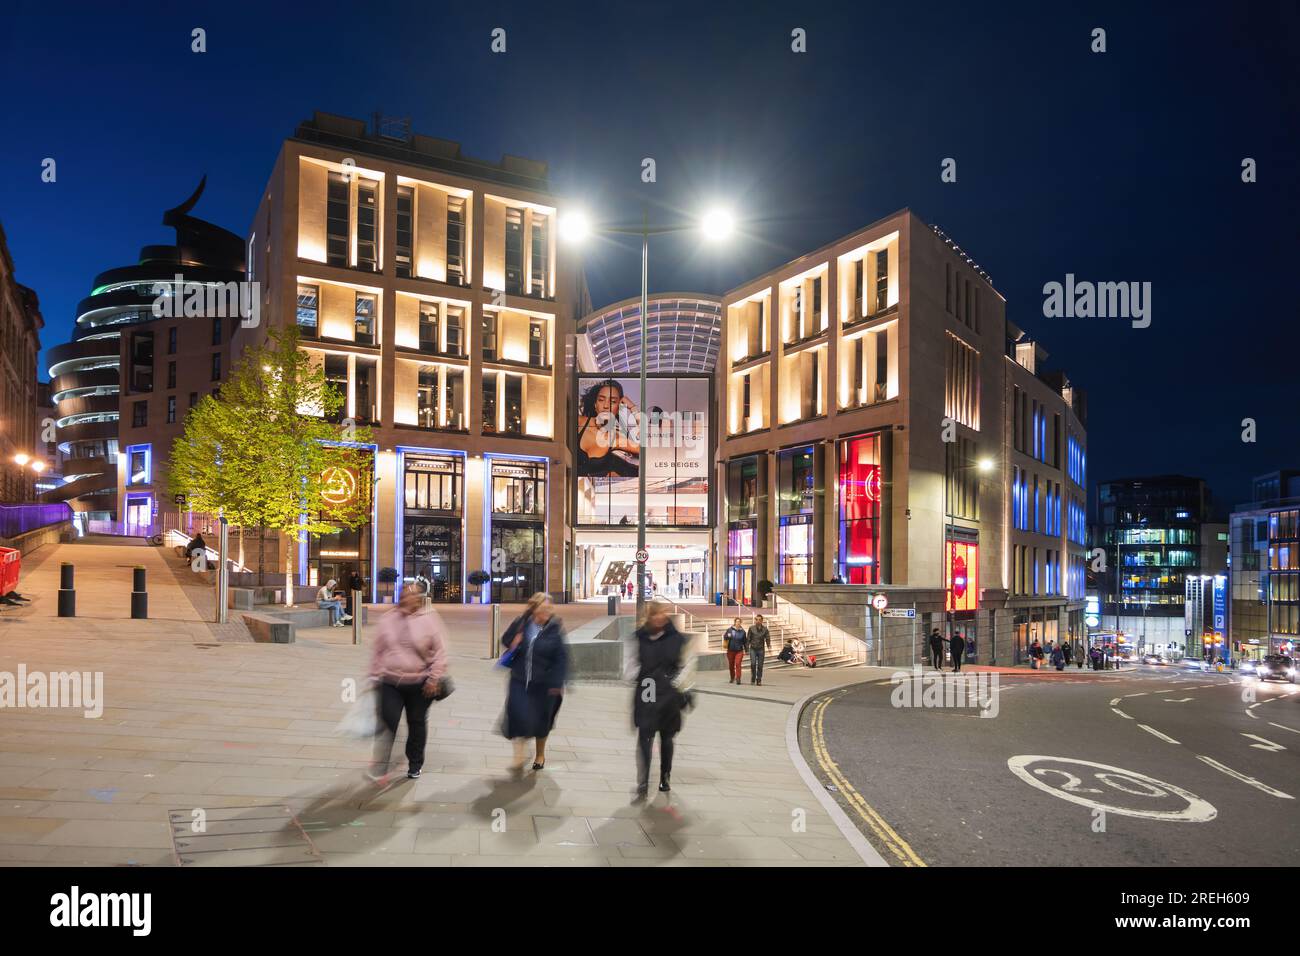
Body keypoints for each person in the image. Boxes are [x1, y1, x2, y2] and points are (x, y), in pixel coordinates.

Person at [368, 582, 449, 781]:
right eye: (403, 594)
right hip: (390, 680)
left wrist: (434, 678)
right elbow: (378, 650)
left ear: (419, 599)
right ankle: (382, 762)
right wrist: (373, 675)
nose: (406, 598)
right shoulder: (388, 619)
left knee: (416, 723)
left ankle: (415, 763)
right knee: (388, 720)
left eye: (411, 595)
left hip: (420, 682)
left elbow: (440, 652)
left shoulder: (429, 619)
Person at [627, 600, 695, 800]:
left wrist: (683, 689)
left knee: (667, 739)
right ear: (649, 617)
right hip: (646, 696)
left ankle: (665, 776)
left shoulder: (678, 639)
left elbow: (687, 666)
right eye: (656, 614)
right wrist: (643, 675)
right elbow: (629, 668)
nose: (660, 617)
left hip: (669, 698)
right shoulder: (638, 638)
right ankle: (642, 782)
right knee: (644, 740)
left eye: (663, 613)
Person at [500, 593, 568, 775]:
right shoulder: (522, 623)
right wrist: (513, 641)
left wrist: (557, 682)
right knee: (517, 715)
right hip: (520, 679)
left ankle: (540, 754)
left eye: (549, 609)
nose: (547, 612)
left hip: (544, 683)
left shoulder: (554, 628)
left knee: (541, 721)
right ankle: (519, 755)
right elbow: (505, 639)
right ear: (534, 608)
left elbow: (561, 658)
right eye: (544, 608)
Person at [576, 379, 639, 478]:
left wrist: (633, 409)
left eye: (613, 402)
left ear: (619, 408)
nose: (606, 406)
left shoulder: (615, 439)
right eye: (601, 400)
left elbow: (648, 451)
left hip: (587, 491)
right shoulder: (579, 422)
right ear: (595, 404)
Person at [746, 614, 771, 686]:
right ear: (755, 620)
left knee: (760, 665)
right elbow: (748, 639)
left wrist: (769, 646)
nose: (758, 621)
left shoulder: (765, 629)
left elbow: (767, 638)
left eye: (760, 620)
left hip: (761, 650)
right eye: (757, 619)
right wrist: (747, 649)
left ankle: (759, 679)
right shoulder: (751, 628)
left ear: (762, 621)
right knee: (753, 664)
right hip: (753, 649)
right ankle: (753, 677)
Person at [723, 617, 747, 685]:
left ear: (740, 623)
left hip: (739, 651)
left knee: (738, 664)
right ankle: (732, 677)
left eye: (739, 622)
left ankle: (738, 678)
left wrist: (746, 649)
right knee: (731, 665)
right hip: (730, 650)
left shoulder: (743, 632)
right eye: (737, 621)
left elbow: (745, 641)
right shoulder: (730, 630)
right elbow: (725, 637)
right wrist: (728, 636)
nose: (738, 623)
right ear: (735, 622)